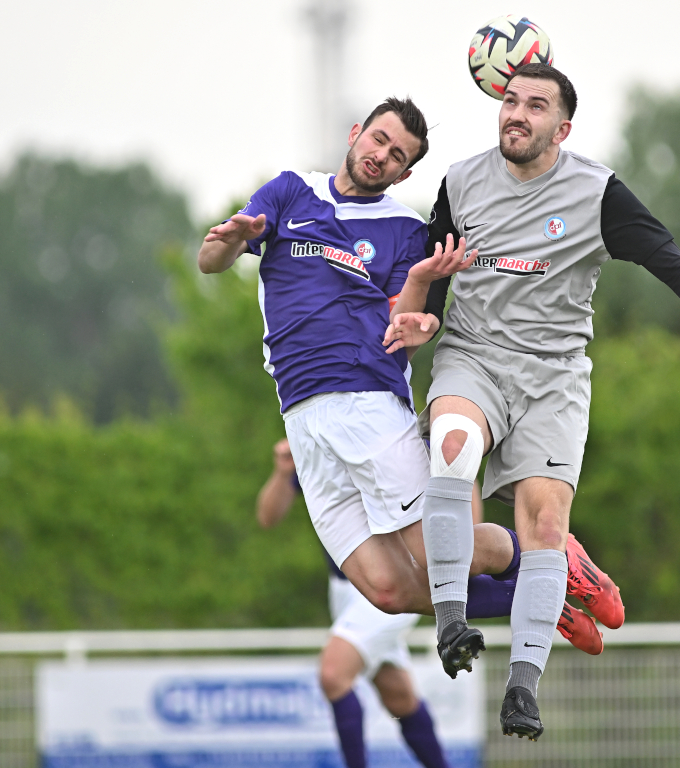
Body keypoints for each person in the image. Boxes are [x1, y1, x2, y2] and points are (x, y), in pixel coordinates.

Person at [385, 63, 680, 740]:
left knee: (545, 527)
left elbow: (667, 255)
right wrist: (425, 319)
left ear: (563, 127)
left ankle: (524, 685)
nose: (516, 114)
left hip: (553, 377)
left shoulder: (596, 190)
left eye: (535, 105)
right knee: (451, 449)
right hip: (475, 359)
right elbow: (436, 279)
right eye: (510, 101)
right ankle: (450, 624)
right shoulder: (462, 182)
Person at [197, 98, 604, 675]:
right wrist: (234, 238)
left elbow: (403, 333)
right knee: (387, 590)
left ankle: (546, 557)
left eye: (397, 155)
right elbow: (210, 261)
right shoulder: (291, 192)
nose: (381, 156)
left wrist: (417, 284)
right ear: (356, 133)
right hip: (300, 418)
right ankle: (544, 589)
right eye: (378, 140)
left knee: (440, 552)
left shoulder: (404, 230)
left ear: (404, 173)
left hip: (365, 404)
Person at [257, 438, 461, 768]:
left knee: (333, 674)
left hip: (394, 583)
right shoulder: (325, 438)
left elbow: (459, 484)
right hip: (344, 590)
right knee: (399, 697)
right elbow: (267, 517)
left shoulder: (390, 431)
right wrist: (283, 474)